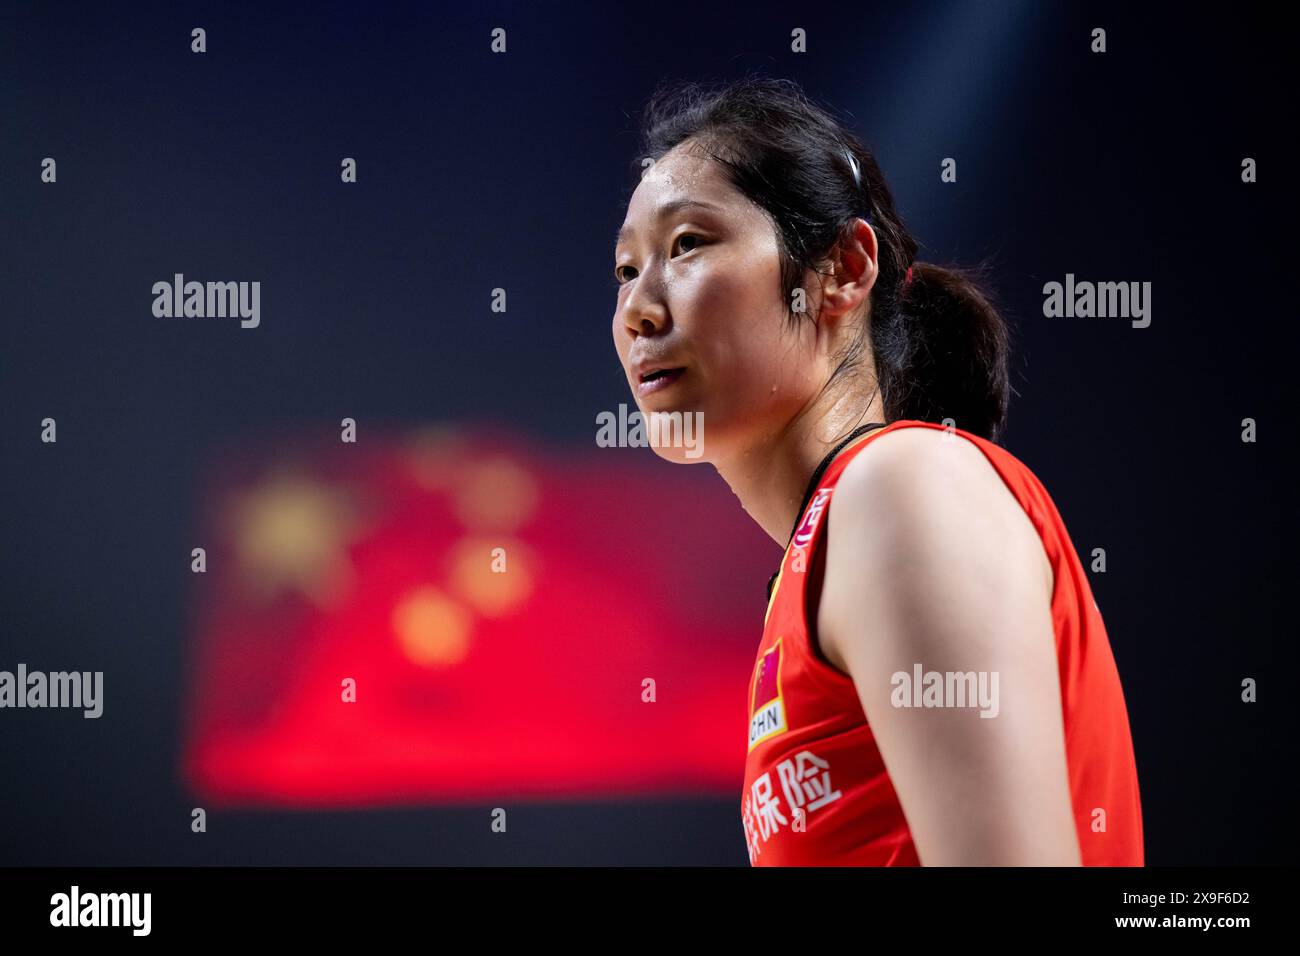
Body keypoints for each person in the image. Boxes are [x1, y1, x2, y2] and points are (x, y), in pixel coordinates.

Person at [610, 76, 1143, 866]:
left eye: (687, 244)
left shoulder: (902, 485)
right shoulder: (821, 555)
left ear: (842, 270)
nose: (639, 311)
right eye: (626, 271)